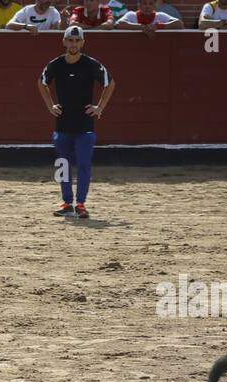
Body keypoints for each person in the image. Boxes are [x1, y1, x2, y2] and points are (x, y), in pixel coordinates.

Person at [39, 24, 113, 220]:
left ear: (82, 42)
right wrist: (50, 105)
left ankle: (80, 204)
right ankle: (66, 203)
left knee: (83, 164)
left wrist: (100, 107)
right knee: (63, 164)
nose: (73, 44)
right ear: (64, 41)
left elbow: (110, 83)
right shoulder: (56, 64)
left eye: (77, 40)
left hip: (84, 126)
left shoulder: (91, 64)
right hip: (63, 124)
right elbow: (41, 81)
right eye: (70, 40)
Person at [117, 0, 183, 27]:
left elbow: (179, 23)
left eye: (150, 4)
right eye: (144, 3)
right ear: (139, 6)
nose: (147, 6)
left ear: (154, 6)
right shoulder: (131, 15)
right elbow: (118, 24)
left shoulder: (160, 15)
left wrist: (159, 26)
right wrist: (142, 28)